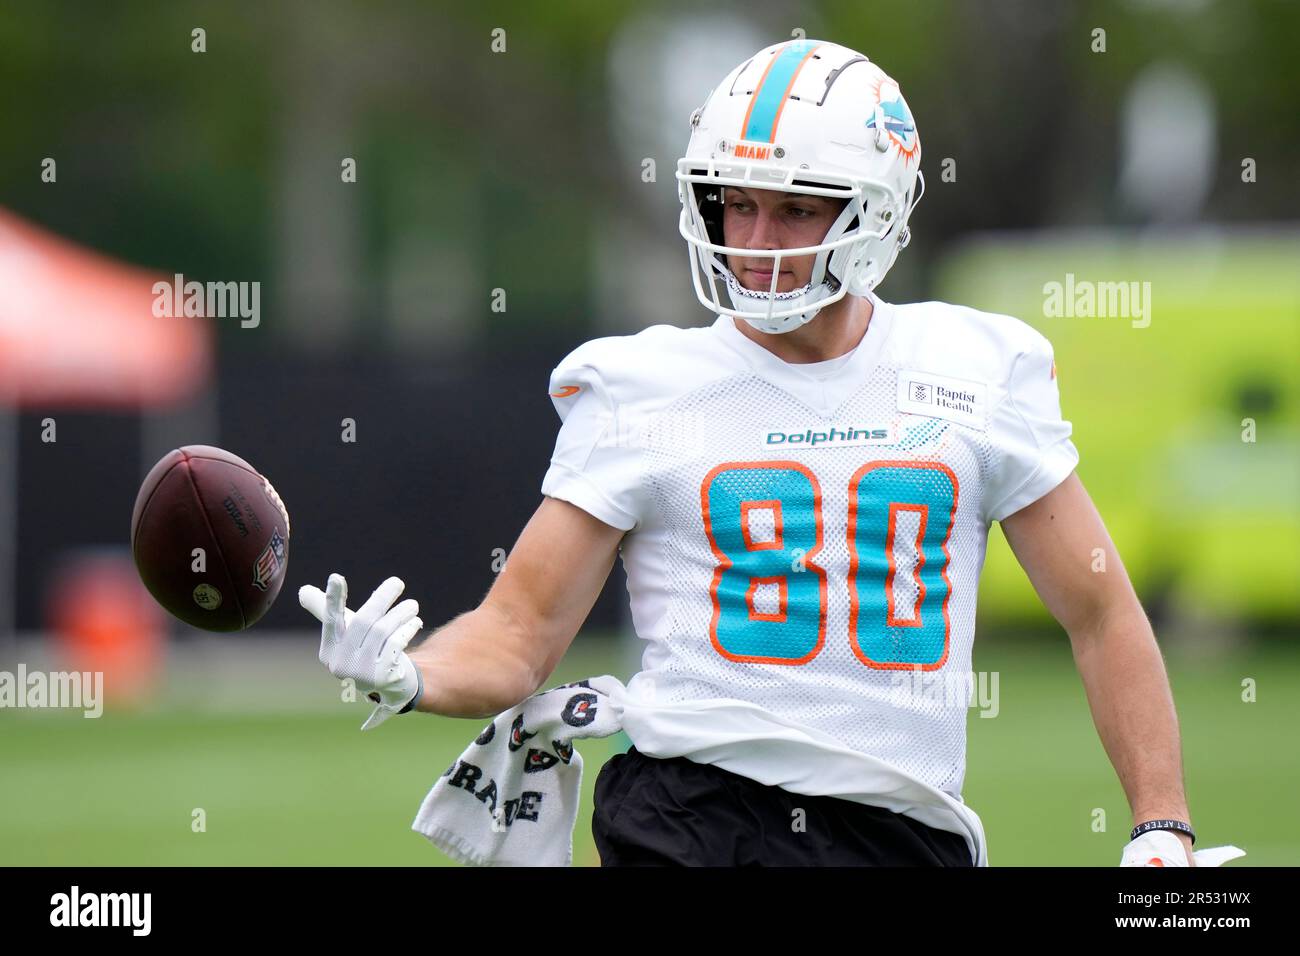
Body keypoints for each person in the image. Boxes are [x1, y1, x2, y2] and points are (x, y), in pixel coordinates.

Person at [300, 38, 1201, 867]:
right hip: (693, 813)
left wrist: (1161, 824)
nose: (755, 244)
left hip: (905, 828)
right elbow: (519, 634)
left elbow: (1100, 611)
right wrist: (413, 674)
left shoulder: (975, 369)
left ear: (877, 214)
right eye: (734, 203)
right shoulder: (643, 386)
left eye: (794, 211)